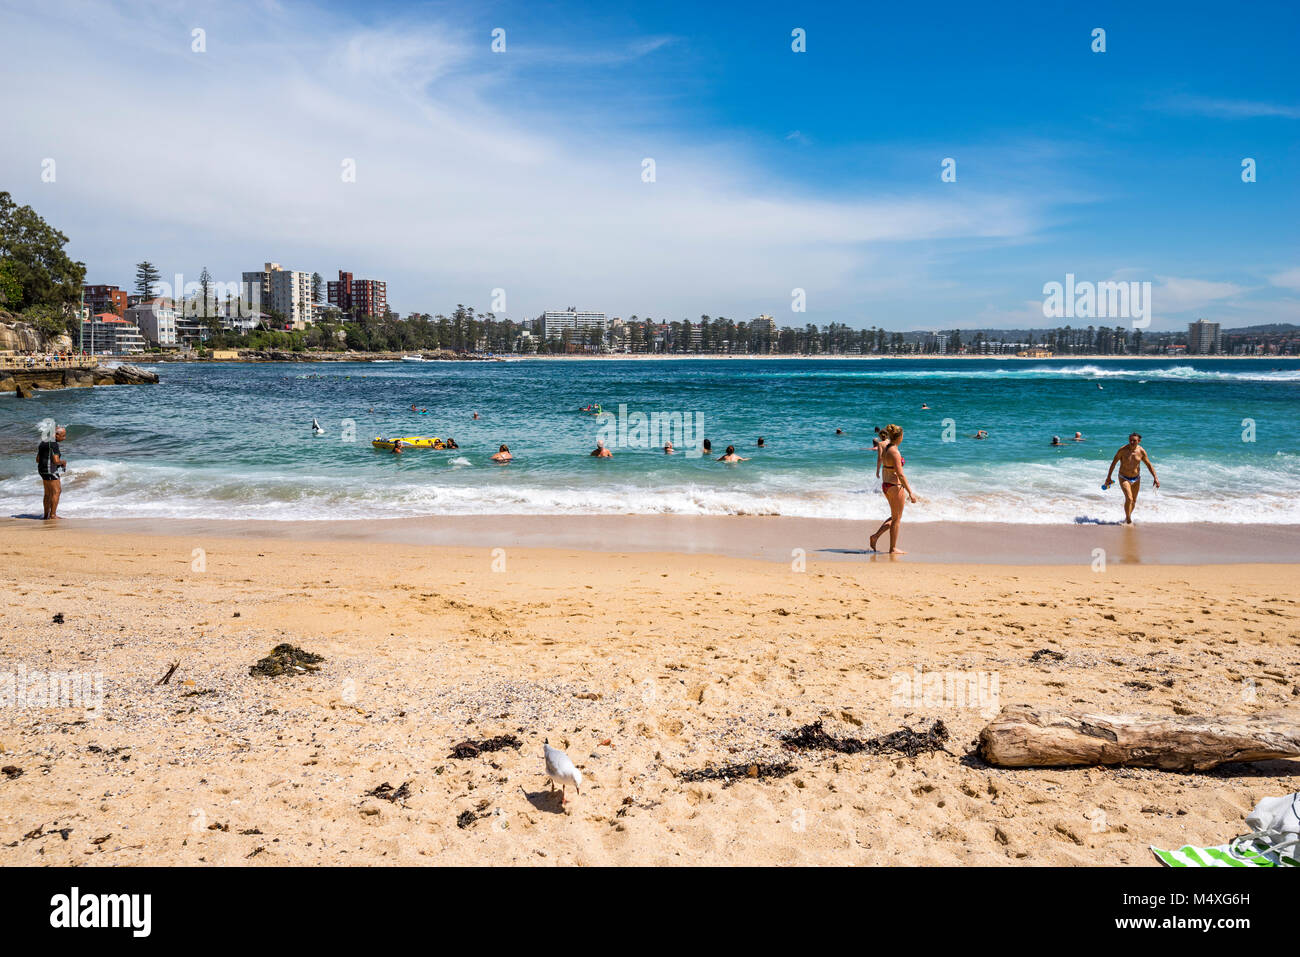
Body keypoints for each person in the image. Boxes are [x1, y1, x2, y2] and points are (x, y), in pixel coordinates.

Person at [869, 424, 917, 554]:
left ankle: (875, 537)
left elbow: (884, 465)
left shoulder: (886, 448)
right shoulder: (894, 451)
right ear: (899, 437)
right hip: (895, 486)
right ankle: (893, 548)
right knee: (896, 519)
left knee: (895, 516)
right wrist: (910, 492)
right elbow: (900, 474)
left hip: (886, 485)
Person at [1104, 432, 1159, 524]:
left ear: (1139, 441)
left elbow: (1149, 465)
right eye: (1130, 440)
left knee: (1133, 501)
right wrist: (1108, 477)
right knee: (1129, 499)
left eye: (1134, 440)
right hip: (1123, 477)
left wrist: (1155, 478)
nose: (1132, 442)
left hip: (1136, 478)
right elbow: (1114, 463)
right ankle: (1129, 520)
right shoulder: (1122, 450)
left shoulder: (1141, 451)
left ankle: (1127, 518)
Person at [38, 426, 67, 520]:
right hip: (51, 470)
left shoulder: (43, 443)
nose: (64, 438)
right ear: (56, 434)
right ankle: (53, 515)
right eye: (63, 436)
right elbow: (55, 460)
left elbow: (37, 459)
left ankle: (46, 515)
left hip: (42, 469)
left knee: (47, 493)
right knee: (56, 491)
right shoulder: (53, 444)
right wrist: (63, 462)